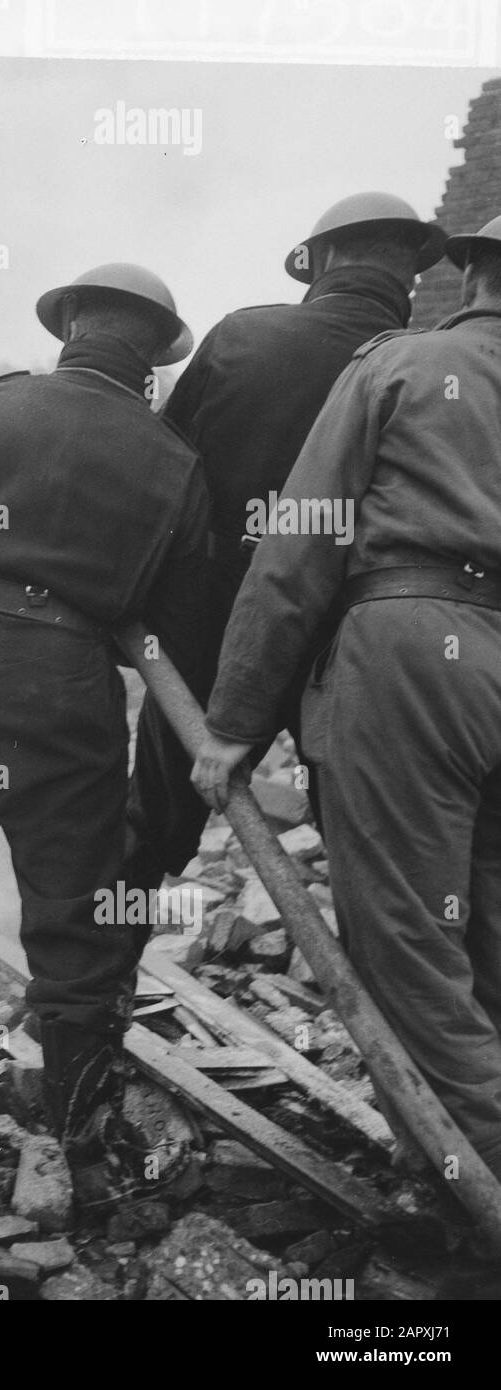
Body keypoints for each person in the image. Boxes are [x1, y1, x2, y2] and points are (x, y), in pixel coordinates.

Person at [192, 214, 501, 1181]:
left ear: (470, 274)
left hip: (412, 652)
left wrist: (234, 721)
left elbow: (300, 546)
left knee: (408, 943)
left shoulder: (397, 365)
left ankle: (480, 1172)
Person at [0, 264, 207, 1148]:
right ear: (150, 364)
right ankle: (74, 1114)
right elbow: (167, 616)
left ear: (69, 330)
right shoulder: (171, 460)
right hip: (61, 670)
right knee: (74, 896)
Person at [126, 194, 446, 892]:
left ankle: (85, 993)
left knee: (148, 830)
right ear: (410, 279)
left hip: (210, 627)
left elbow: (165, 473)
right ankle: (392, 995)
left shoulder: (243, 335)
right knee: (371, 855)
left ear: (319, 260)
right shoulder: (418, 368)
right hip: (351, 641)